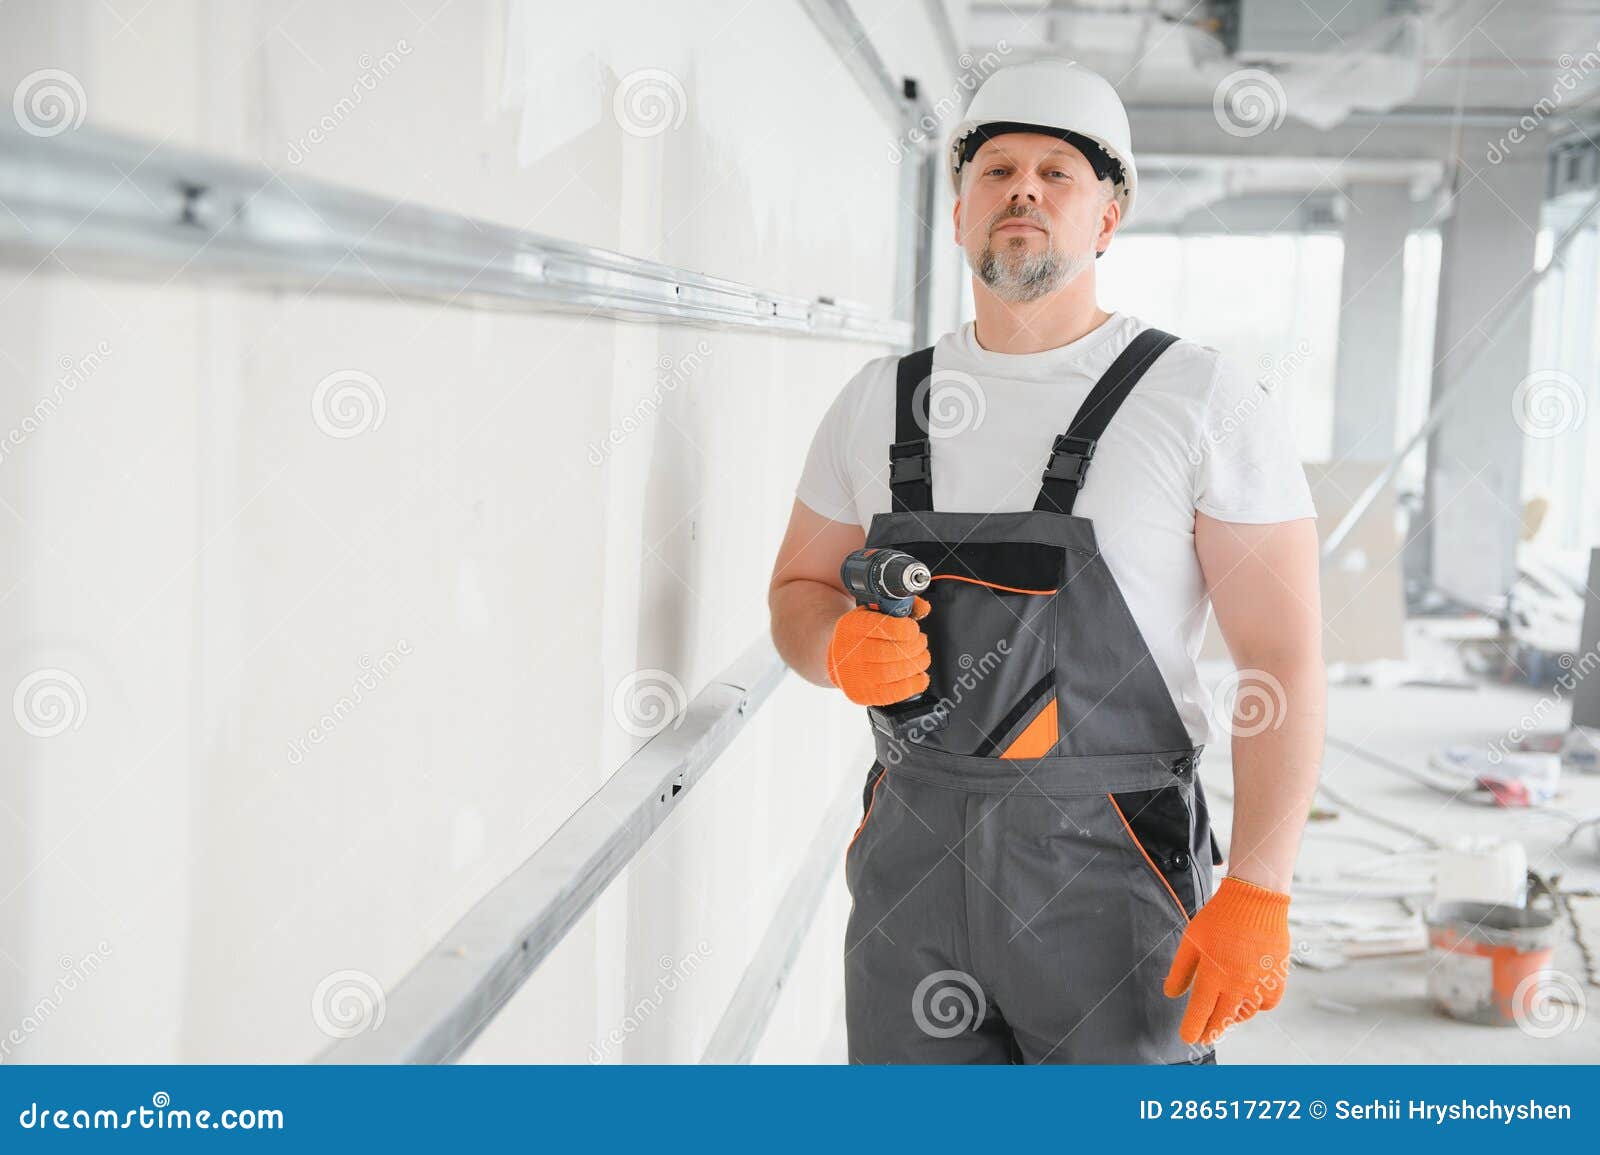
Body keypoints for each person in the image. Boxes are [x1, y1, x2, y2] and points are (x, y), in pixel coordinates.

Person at [767, 58, 1324, 1064]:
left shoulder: (1200, 400)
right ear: (958, 214)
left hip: (1111, 876)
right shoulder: (876, 403)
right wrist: (833, 645)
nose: (1020, 189)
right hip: (912, 867)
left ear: (1107, 219)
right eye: (995, 170)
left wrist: (1259, 884)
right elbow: (797, 594)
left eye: (1057, 173)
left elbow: (1280, 662)